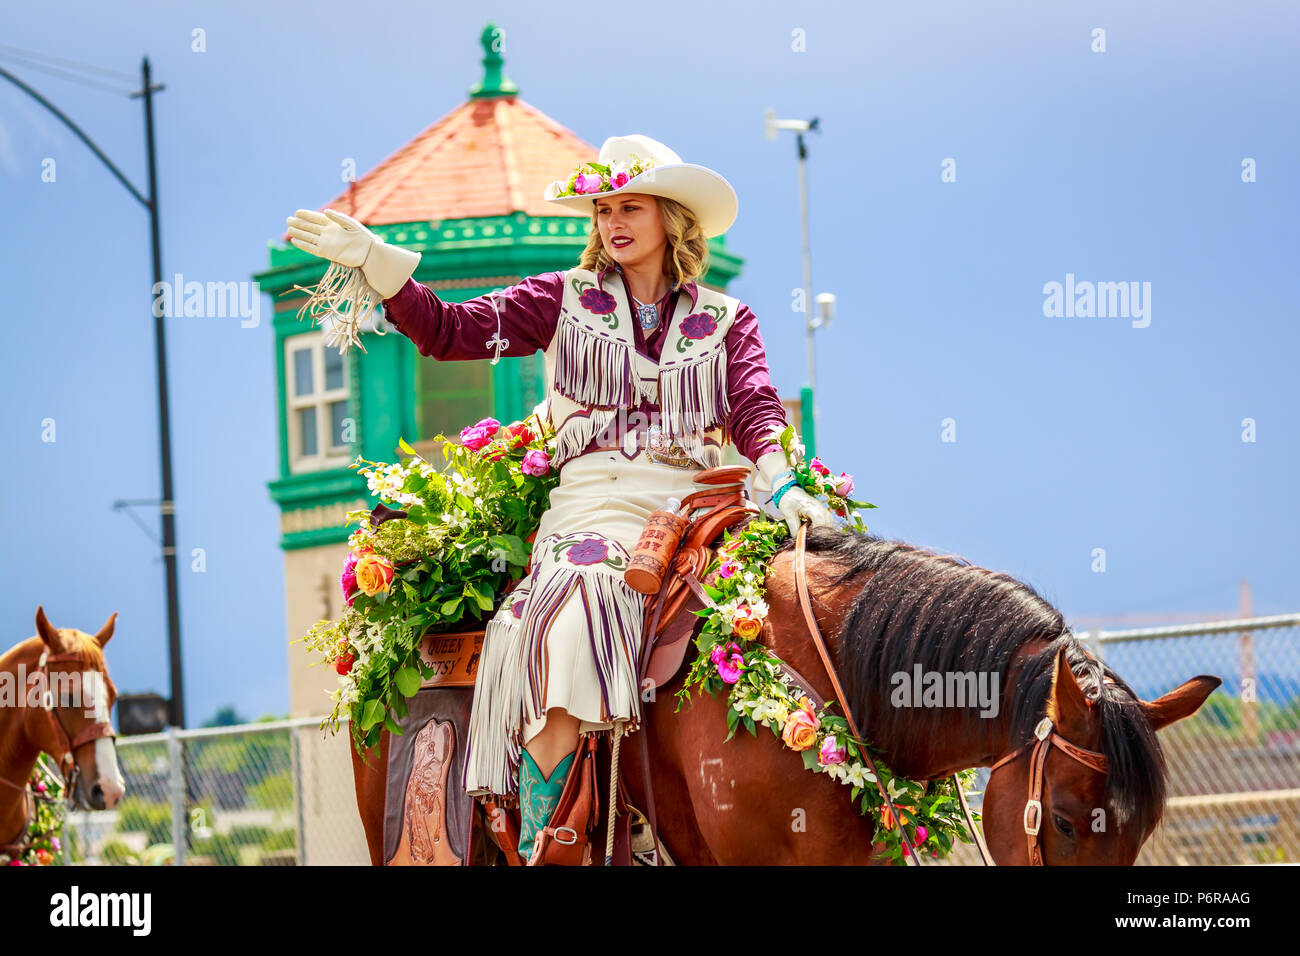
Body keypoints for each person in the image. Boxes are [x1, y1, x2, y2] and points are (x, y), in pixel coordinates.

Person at [286, 134, 834, 863]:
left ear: (672, 217)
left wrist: (786, 482)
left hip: (700, 507)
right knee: (571, 610)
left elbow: (756, 404)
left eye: (630, 206)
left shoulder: (729, 321)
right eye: (604, 207)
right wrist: (382, 268)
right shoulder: (561, 299)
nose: (613, 220)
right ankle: (554, 838)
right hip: (593, 510)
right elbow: (454, 332)